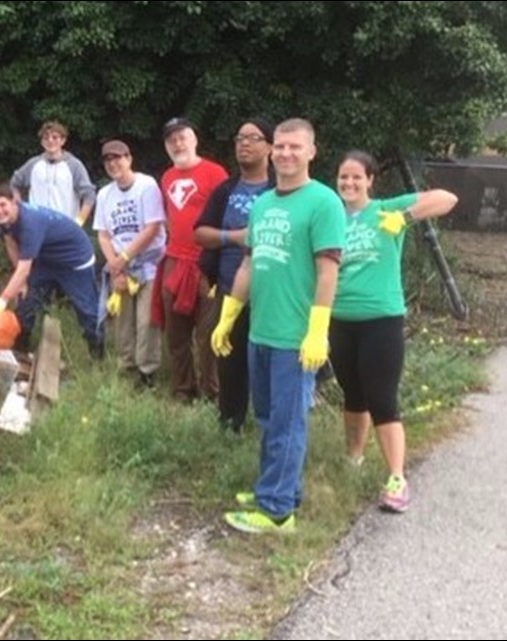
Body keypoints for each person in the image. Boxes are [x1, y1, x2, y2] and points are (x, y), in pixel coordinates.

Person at [211, 118, 346, 534]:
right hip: (260, 333)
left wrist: (317, 330)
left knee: (288, 422)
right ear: (272, 152)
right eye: (281, 147)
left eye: (295, 147)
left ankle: (276, 512)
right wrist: (228, 316)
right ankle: (282, 490)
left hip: (295, 338)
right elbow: (250, 264)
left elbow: (328, 272)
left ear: (311, 151)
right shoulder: (265, 203)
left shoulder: (323, 202)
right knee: (269, 418)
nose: (286, 154)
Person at [331, 150, 458, 513]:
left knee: (381, 397)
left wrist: (402, 217)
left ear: (371, 180)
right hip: (339, 319)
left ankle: (397, 478)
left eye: (357, 177)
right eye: (344, 177)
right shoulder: (331, 215)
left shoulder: (387, 208)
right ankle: (353, 459)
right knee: (352, 395)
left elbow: (447, 199)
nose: (350, 183)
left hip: (380, 319)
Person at [195, 118, 276, 431]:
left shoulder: (279, 189)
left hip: (271, 290)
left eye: (253, 138)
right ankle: (231, 422)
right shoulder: (226, 190)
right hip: (229, 285)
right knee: (229, 358)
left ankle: (272, 424)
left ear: (269, 147)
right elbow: (200, 233)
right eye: (240, 137)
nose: (244, 143)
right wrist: (234, 237)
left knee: (271, 358)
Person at [0, 182, 103, 360]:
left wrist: (3, 299)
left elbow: (24, 268)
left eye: (3, 205)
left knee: (86, 310)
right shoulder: (6, 220)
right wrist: (22, 283)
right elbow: (11, 243)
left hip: (74, 260)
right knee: (26, 303)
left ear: (14, 202)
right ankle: (19, 353)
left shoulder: (30, 223)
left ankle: (97, 357)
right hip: (46, 259)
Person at [157, 117, 229, 402]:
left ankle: (212, 393)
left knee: (208, 332)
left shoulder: (215, 173)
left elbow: (227, 215)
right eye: (171, 140)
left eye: (182, 137)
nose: (178, 143)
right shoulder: (167, 177)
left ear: (194, 139)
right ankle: (183, 389)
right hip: (175, 261)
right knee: (176, 332)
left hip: (206, 262)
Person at [93, 139, 166, 388]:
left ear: (129, 159)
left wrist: (124, 258)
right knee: (122, 322)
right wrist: (115, 264)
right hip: (119, 265)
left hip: (149, 262)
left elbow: (153, 227)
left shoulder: (146, 185)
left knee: (147, 320)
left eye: (118, 158)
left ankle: (148, 373)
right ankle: (126, 368)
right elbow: (102, 233)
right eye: (108, 160)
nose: (113, 164)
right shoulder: (104, 194)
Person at [10, 120, 97, 226]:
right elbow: (14, 183)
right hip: (37, 226)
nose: (50, 141)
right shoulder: (33, 164)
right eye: (46, 138)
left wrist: (79, 222)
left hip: (65, 227)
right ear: (42, 142)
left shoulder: (74, 165)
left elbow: (89, 195)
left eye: (55, 137)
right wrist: (20, 209)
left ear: (63, 140)